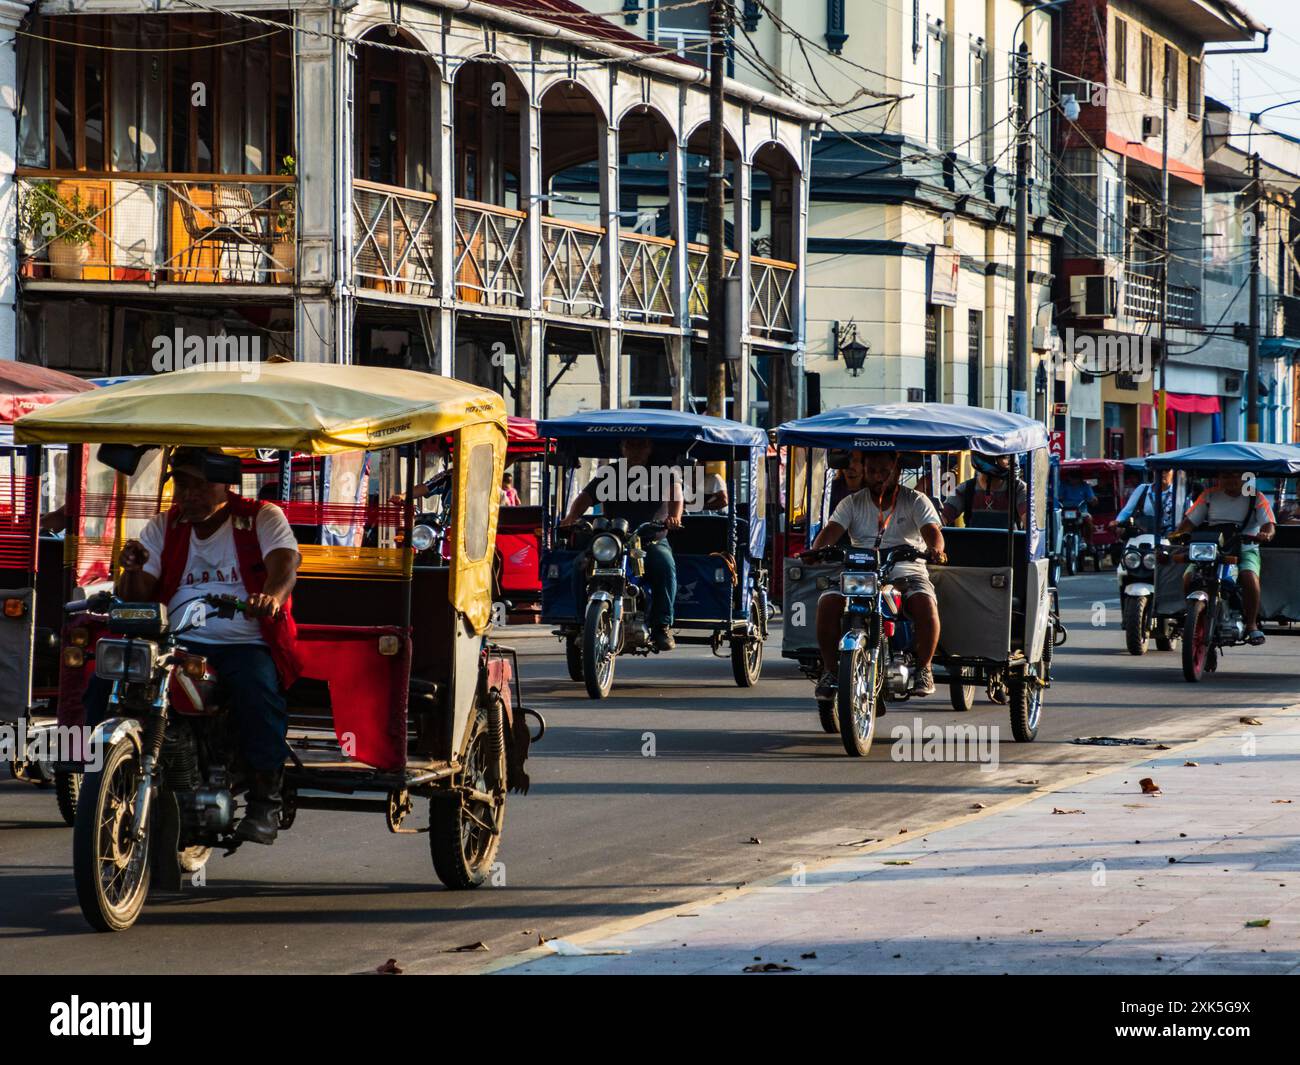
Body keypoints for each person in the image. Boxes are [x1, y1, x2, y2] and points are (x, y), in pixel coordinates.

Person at [101, 447, 302, 845]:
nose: (187, 495)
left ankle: (266, 802)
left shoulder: (262, 517)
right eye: (181, 485)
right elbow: (137, 594)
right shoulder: (164, 526)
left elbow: (284, 566)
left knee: (258, 694)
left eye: (197, 486)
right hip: (177, 641)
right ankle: (94, 773)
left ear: (222, 484)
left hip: (244, 642)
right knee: (108, 681)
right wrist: (133, 568)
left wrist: (272, 598)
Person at [810, 451, 945, 698]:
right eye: (872, 472)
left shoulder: (916, 500)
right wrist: (816, 550)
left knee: (925, 605)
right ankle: (829, 671)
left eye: (884, 472)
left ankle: (924, 668)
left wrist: (935, 550)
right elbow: (830, 531)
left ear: (897, 470)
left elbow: (933, 532)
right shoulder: (851, 503)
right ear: (863, 471)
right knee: (827, 602)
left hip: (906, 570)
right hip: (860, 572)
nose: (878, 478)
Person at [560, 438, 683, 651]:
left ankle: (662, 625)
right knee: (580, 566)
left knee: (664, 565)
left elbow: (676, 496)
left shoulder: (663, 472)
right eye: (631, 445)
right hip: (612, 539)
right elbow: (585, 497)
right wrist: (571, 517)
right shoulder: (610, 474)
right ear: (622, 448)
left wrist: (674, 517)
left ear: (650, 448)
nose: (635, 450)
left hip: (649, 539)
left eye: (641, 445)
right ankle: (579, 622)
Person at [1174, 470, 1276, 645]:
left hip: (1245, 547)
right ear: (1218, 478)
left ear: (1245, 478)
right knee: (1188, 577)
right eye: (1226, 475)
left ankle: (1251, 625)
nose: (1231, 479)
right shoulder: (1209, 495)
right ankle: (1191, 618)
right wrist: (1178, 534)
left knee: (1249, 577)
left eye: (1236, 475)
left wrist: (1265, 534)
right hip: (1213, 548)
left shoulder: (1256, 497)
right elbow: (1189, 523)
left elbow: (1269, 525)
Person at [942, 453, 1028, 529]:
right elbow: (942, 518)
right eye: (1004, 457)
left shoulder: (1019, 489)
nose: (1010, 461)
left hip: (1010, 547)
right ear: (987, 458)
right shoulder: (966, 489)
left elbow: (1029, 521)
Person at [1111, 468, 1180, 535]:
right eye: (1158, 470)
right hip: (1146, 535)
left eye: (1166, 470)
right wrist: (1118, 521)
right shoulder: (1143, 489)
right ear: (1153, 472)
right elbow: (1127, 510)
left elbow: (1186, 516)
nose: (1162, 473)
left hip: (1169, 536)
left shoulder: (1178, 492)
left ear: (1173, 472)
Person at [1058, 472, 1097, 541]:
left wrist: (1093, 500)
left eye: (1076, 478)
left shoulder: (1085, 486)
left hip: (1081, 511)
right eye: (1072, 477)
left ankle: (1090, 543)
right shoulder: (1063, 485)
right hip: (1065, 511)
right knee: (1056, 522)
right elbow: (1058, 497)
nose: (1073, 480)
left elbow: (1092, 499)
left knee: (1089, 521)